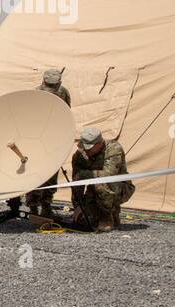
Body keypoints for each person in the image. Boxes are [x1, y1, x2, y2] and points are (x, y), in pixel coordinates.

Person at [70, 127, 135, 232]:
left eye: (89, 148)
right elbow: (77, 183)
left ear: (100, 143)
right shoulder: (80, 155)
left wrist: (83, 174)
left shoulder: (114, 149)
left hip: (119, 188)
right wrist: (78, 206)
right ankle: (104, 215)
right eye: (84, 147)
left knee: (100, 182)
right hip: (94, 190)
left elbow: (108, 175)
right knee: (86, 220)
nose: (86, 151)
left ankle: (107, 218)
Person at [26, 68, 72, 216]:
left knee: (51, 174)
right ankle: (33, 206)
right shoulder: (34, 95)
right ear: (43, 82)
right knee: (34, 173)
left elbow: (66, 113)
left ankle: (46, 204)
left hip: (53, 140)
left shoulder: (63, 93)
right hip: (35, 140)